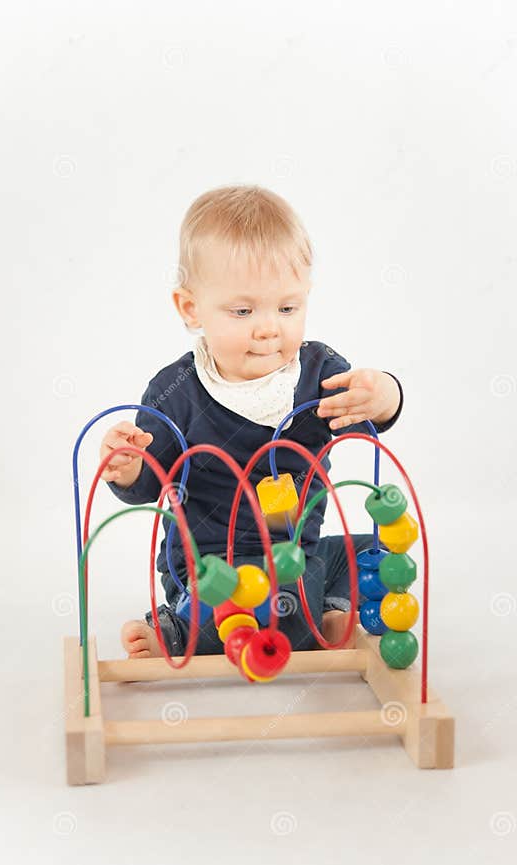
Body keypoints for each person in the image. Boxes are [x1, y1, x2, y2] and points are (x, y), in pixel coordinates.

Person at [99, 185, 403, 659]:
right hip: (214, 566)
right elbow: (145, 485)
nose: (268, 328)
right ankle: (181, 630)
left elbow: (368, 419)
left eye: (287, 308)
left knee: (373, 555)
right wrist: (128, 465)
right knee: (251, 598)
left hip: (297, 552)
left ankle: (321, 608)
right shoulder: (175, 391)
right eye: (243, 311)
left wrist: (384, 395)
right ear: (191, 308)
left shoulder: (318, 373)